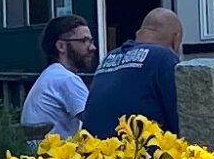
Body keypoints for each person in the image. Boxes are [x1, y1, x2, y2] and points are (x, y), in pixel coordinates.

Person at [80, 7, 184, 141]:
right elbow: (181, 118)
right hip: (139, 155)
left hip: (96, 153)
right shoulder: (164, 57)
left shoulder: (109, 58)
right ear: (176, 39)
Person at [21, 13, 97, 141]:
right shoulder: (65, 79)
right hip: (53, 158)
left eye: (91, 41)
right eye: (84, 41)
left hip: (39, 155)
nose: (92, 47)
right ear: (61, 46)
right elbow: (97, 121)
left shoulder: (51, 75)